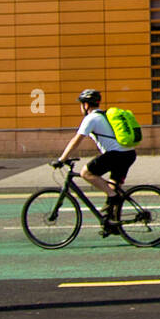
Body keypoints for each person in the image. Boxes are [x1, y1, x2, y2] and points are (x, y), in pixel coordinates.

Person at [52, 89, 135, 232]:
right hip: (128, 154)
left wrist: (62, 159)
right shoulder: (104, 115)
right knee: (113, 187)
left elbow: (76, 141)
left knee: (86, 173)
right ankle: (113, 224)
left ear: (86, 105)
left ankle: (113, 196)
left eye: (81, 104)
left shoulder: (90, 118)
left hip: (116, 154)